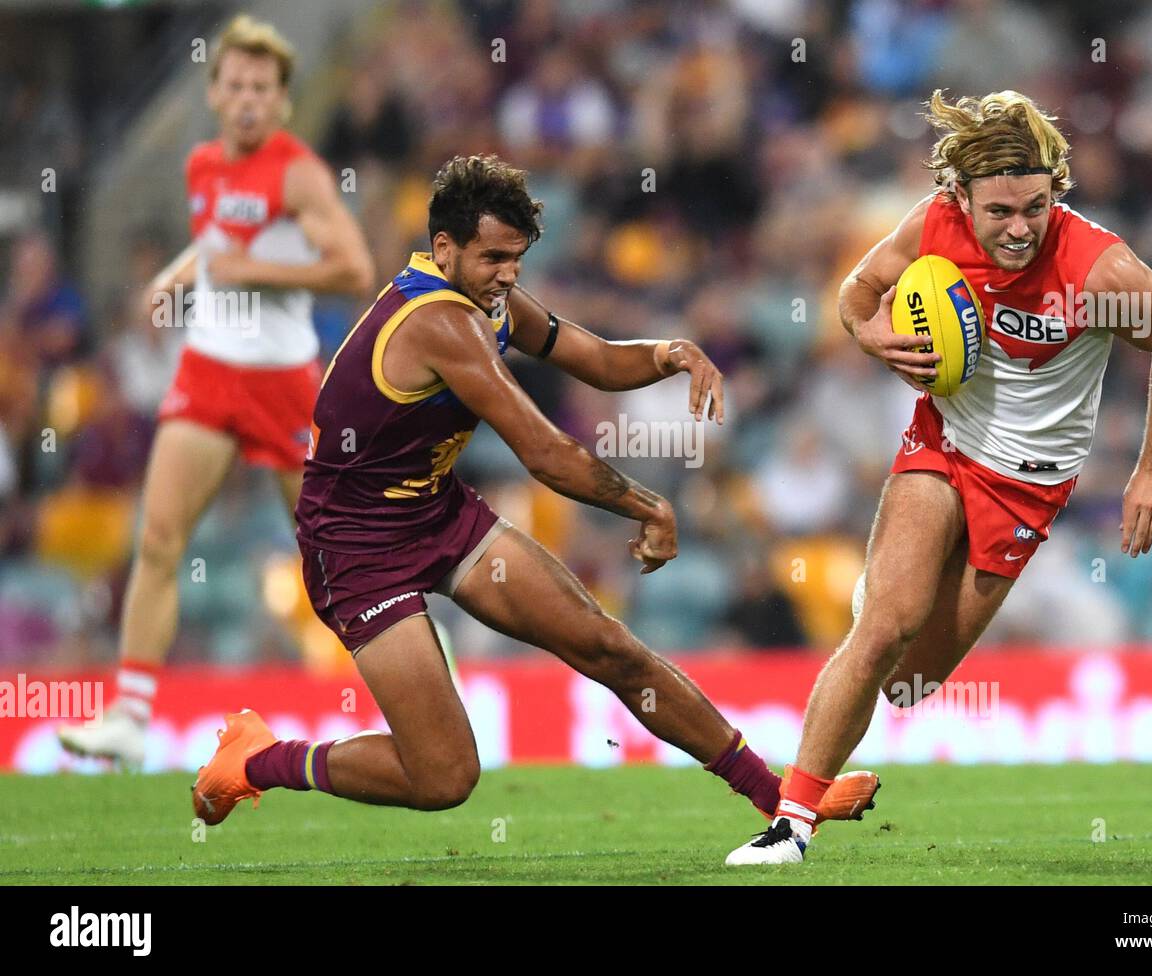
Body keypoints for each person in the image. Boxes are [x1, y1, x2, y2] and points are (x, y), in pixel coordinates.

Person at [191, 154, 877, 826]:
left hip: (435, 512)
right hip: (356, 551)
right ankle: (259, 760)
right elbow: (545, 452)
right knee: (444, 777)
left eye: (517, 258)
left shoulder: (484, 298)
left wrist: (669, 352)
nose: (508, 276)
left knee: (609, 647)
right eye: (494, 258)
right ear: (443, 247)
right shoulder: (439, 321)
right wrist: (647, 505)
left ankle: (780, 798)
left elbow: (598, 358)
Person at [727, 90, 1152, 864]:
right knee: (883, 626)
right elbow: (857, 292)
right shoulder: (933, 224)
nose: (1020, 228)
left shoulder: (1098, 265)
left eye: (1036, 208)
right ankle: (792, 824)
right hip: (942, 445)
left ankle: (877, 625)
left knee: (907, 684)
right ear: (961, 199)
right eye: (1002, 211)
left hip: (1028, 488)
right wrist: (874, 337)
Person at [59, 16, 373, 767]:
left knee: (336, 558)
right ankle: (131, 716)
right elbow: (217, 238)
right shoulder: (202, 164)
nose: (246, 100)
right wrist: (177, 274)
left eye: (261, 88)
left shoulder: (298, 172)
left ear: (282, 102)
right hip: (207, 370)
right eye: (234, 85)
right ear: (213, 91)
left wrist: (254, 274)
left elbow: (354, 269)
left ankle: (422, 684)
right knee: (160, 537)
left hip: (283, 382)